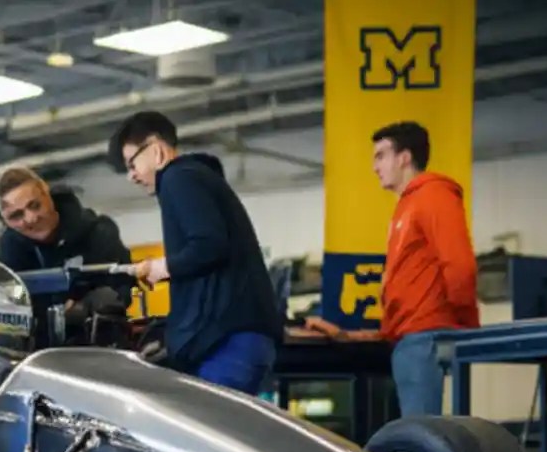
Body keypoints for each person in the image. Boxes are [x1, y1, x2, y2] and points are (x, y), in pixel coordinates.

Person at [305, 121, 479, 416]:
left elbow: (459, 264)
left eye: (381, 155)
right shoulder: (407, 206)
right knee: (418, 432)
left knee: (421, 436)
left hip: (424, 336)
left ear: (404, 158)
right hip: (412, 337)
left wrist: (459, 327)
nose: (375, 166)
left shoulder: (434, 196)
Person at [108, 111, 282, 395]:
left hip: (226, 343)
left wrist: (163, 267)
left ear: (156, 149)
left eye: (132, 164)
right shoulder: (199, 177)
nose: (132, 176)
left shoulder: (178, 178)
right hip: (242, 339)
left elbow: (208, 245)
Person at [0, 166, 133, 318]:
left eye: (35, 205)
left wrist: (86, 306)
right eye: (16, 216)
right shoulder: (10, 253)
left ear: (47, 193)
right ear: (5, 222)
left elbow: (124, 287)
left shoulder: (97, 232)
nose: (31, 218)